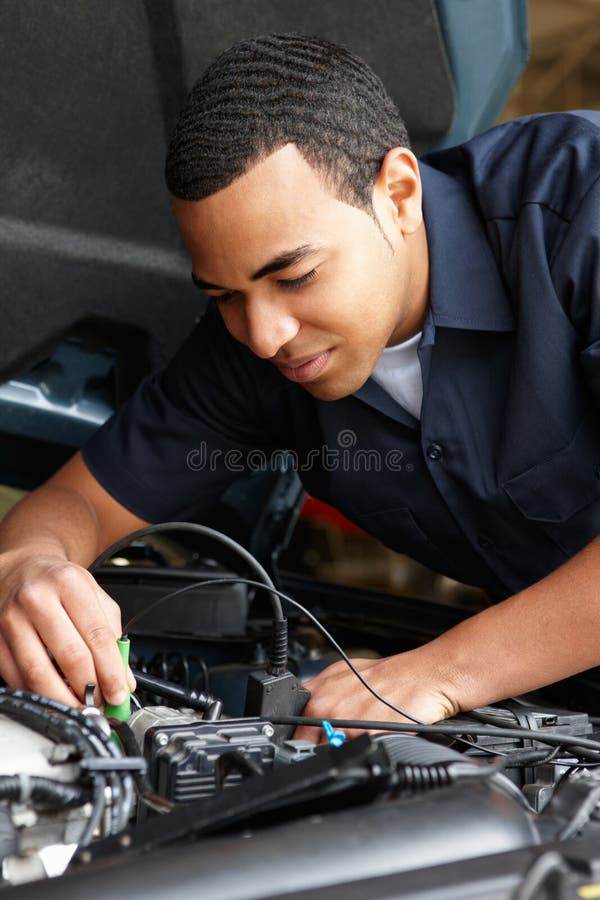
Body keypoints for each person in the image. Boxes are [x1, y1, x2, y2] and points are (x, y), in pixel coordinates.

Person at [0, 34, 599, 741]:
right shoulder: (247, 352)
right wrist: (26, 568)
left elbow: (442, 674)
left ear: (399, 194)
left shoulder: (576, 202)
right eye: (226, 294)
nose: (264, 334)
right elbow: (76, 504)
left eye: (295, 277)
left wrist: (443, 671)